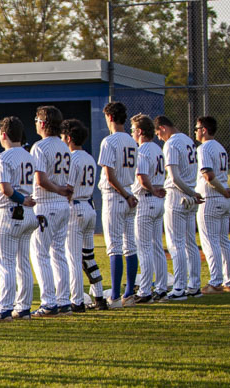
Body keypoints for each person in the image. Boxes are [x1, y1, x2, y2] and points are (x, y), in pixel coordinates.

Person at [0, 116, 38, 322]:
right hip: (27, 214)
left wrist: (21, 199)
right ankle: (24, 306)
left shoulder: (3, 158)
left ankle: (5, 308)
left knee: (7, 264)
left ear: (3, 134)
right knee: (23, 263)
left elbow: (6, 188)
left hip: (11, 211)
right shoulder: (29, 156)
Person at [28, 105, 74, 317]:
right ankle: (64, 300)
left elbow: (41, 180)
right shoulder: (64, 146)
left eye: (37, 120)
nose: (35, 123)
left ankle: (48, 301)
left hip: (46, 203)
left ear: (44, 123)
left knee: (40, 254)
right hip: (62, 205)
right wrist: (62, 191)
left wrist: (57, 190)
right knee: (58, 253)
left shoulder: (39, 146)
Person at [156, 115, 202, 301]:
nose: (159, 137)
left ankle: (179, 288)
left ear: (163, 128)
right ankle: (194, 286)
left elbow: (174, 177)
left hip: (178, 195)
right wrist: (193, 193)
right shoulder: (187, 139)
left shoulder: (172, 143)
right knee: (191, 243)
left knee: (175, 244)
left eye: (158, 132)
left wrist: (190, 193)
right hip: (190, 195)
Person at [61, 119, 106, 311]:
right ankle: (100, 296)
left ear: (69, 138)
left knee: (74, 258)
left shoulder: (72, 158)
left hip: (76, 208)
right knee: (88, 257)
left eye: (63, 137)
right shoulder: (88, 157)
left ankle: (77, 301)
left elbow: (69, 188)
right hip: (89, 206)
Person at [98, 102, 139, 308]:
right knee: (129, 245)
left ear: (111, 118)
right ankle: (129, 294)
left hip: (115, 195)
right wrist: (128, 194)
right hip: (129, 193)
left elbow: (110, 175)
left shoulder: (109, 141)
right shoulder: (132, 141)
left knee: (114, 247)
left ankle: (114, 296)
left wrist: (123, 193)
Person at [195, 116, 230, 294]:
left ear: (204, 129)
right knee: (224, 242)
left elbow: (209, 176)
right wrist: (225, 192)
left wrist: (222, 191)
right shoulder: (221, 147)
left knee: (210, 242)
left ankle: (215, 282)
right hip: (224, 199)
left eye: (197, 128)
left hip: (212, 197)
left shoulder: (204, 147)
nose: (195, 131)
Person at [129, 114, 166, 303]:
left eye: (133, 129)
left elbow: (143, 179)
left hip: (146, 199)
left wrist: (152, 189)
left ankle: (145, 291)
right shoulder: (158, 149)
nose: (132, 133)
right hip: (158, 201)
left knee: (144, 248)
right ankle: (161, 287)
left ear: (140, 131)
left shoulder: (141, 150)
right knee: (157, 246)